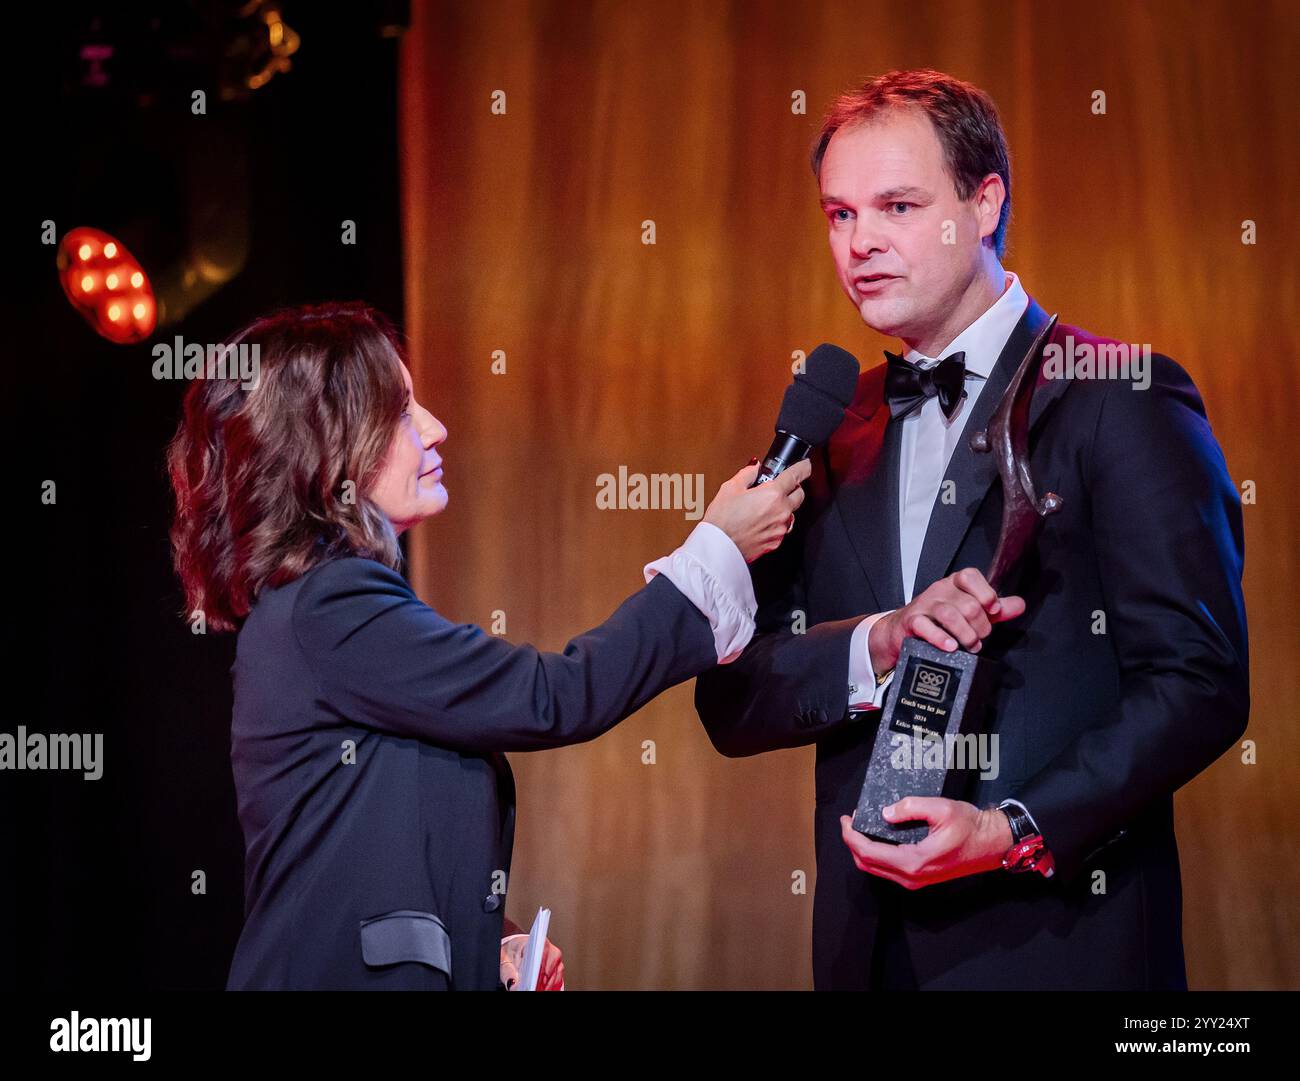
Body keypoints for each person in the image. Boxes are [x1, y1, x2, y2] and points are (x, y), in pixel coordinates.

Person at [695, 69, 1248, 990]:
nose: (861, 242)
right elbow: (734, 696)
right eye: (839, 215)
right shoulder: (834, 421)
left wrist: (1012, 829)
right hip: (866, 957)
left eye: (897, 206)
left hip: (1063, 951)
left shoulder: (1119, 394)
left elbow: (1201, 681)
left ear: (983, 202)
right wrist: (875, 641)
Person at [166, 300, 809, 990]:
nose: (436, 429)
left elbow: (380, 851)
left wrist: (487, 945)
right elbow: (552, 695)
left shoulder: (330, 611)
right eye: (403, 411)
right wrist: (712, 552)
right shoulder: (329, 605)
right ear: (328, 448)